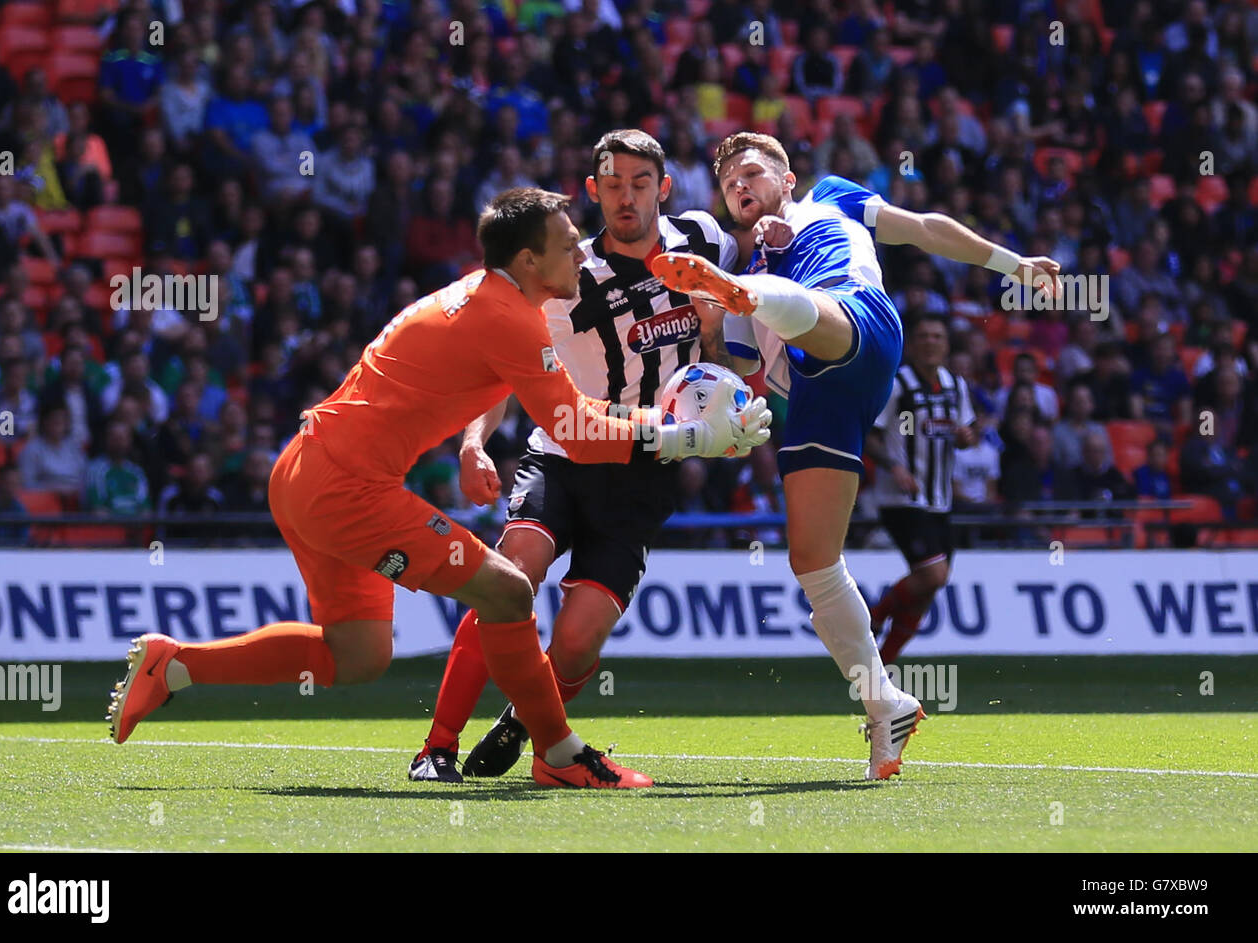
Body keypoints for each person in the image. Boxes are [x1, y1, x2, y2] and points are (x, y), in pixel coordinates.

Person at [105, 188, 769, 792]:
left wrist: (476, 442)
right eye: (569, 246)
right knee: (507, 589)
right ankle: (560, 752)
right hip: (347, 488)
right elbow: (577, 427)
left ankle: (177, 664)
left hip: (306, 470)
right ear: (531, 260)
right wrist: (685, 434)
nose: (582, 253)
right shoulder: (508, 317)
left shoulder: (487, 298)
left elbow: (532, 397)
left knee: (358, 655)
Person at [648, 131, 1059, 780]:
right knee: (813, 559)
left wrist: (1014, 266)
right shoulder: (741, 271)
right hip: (816, 391)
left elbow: (924, 229)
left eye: (752, 173)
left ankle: (758, 298)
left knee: (797, 305)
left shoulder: (829, 200)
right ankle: (883, 702)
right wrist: (710, 335)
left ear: (787, 180)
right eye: (729, 185)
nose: (740, 188)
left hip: (859, 325)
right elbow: (739, 371)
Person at [411, 129, 749, 782]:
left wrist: (722, 346)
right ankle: (438, 745)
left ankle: (533, 736)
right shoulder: (568, 275)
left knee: (575, 639)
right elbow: (508, 370)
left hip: (646, 472)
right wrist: (475, 441)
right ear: (593, 191)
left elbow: (738, 330)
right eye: (613, 184)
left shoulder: (707, 243)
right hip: (561, 456)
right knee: (510, 579)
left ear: (666, 188)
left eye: (640, 183)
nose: (627, 197)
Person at [865, 314, 978, 663]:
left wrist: (965, 438)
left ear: (946, 345)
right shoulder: (897, 384)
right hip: (902, 498)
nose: (931, 342)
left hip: (940, 499)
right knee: (934, 574)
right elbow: (869, 434)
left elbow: (965, 433)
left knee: (929, 588)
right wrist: (895, 466)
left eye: (938, 336)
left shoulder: (954, 385)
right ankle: (868, 622)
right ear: (912, 345)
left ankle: (881, 663)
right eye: (924, 336)